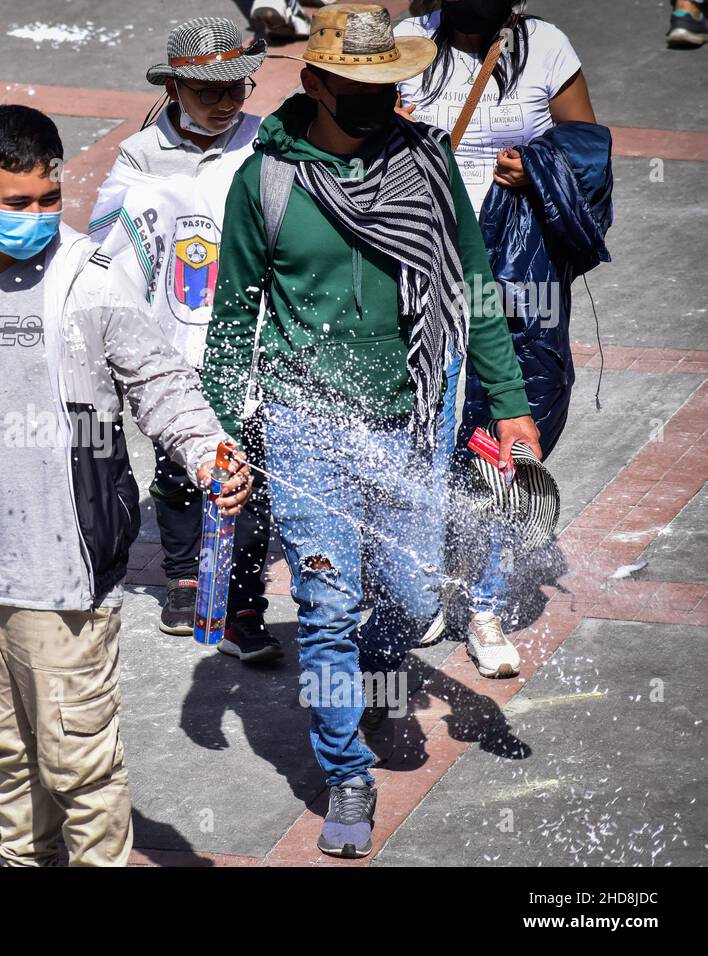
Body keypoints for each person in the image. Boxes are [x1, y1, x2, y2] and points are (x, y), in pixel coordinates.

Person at [200, 4, 539, 858]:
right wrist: (207, 430)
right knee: (323, 607)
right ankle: (344, 770)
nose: (375, 100)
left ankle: (383, 679)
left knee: (413, 599)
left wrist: (508, 399)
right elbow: (234, 316)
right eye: (356, 86)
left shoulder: (425, 164)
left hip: (408, 416)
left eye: (386, 86)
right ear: (312, 81)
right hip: (303, 417)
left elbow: (473, 282)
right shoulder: (266, 181)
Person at [0, 104, 251, 866]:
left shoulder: (91, 279)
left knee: (79, 766)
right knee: (9, 755)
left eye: (50, 199)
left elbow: (160, 382)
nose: (38, 217)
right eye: (17, 204)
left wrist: (208, 450)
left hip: (67, 578)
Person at [397, 0, 609, 678]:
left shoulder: (545, 45)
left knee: (500, 436)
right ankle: (424, 584)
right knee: (422, 430)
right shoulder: (405, 45)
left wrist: (538, 171)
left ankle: (484, 602)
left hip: (513, 274)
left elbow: (590, 147)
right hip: (424, 265)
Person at [89, 17, 280, 664]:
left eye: (237, 90)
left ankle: (245, 601)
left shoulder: (266, 144)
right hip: (172, 347)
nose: (226, 104)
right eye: (208, 93)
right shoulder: (140, 158)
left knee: (247, 474)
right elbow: (110, 254)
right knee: (177, 470)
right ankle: (185, 575)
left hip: (247, 344)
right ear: (173, 87)